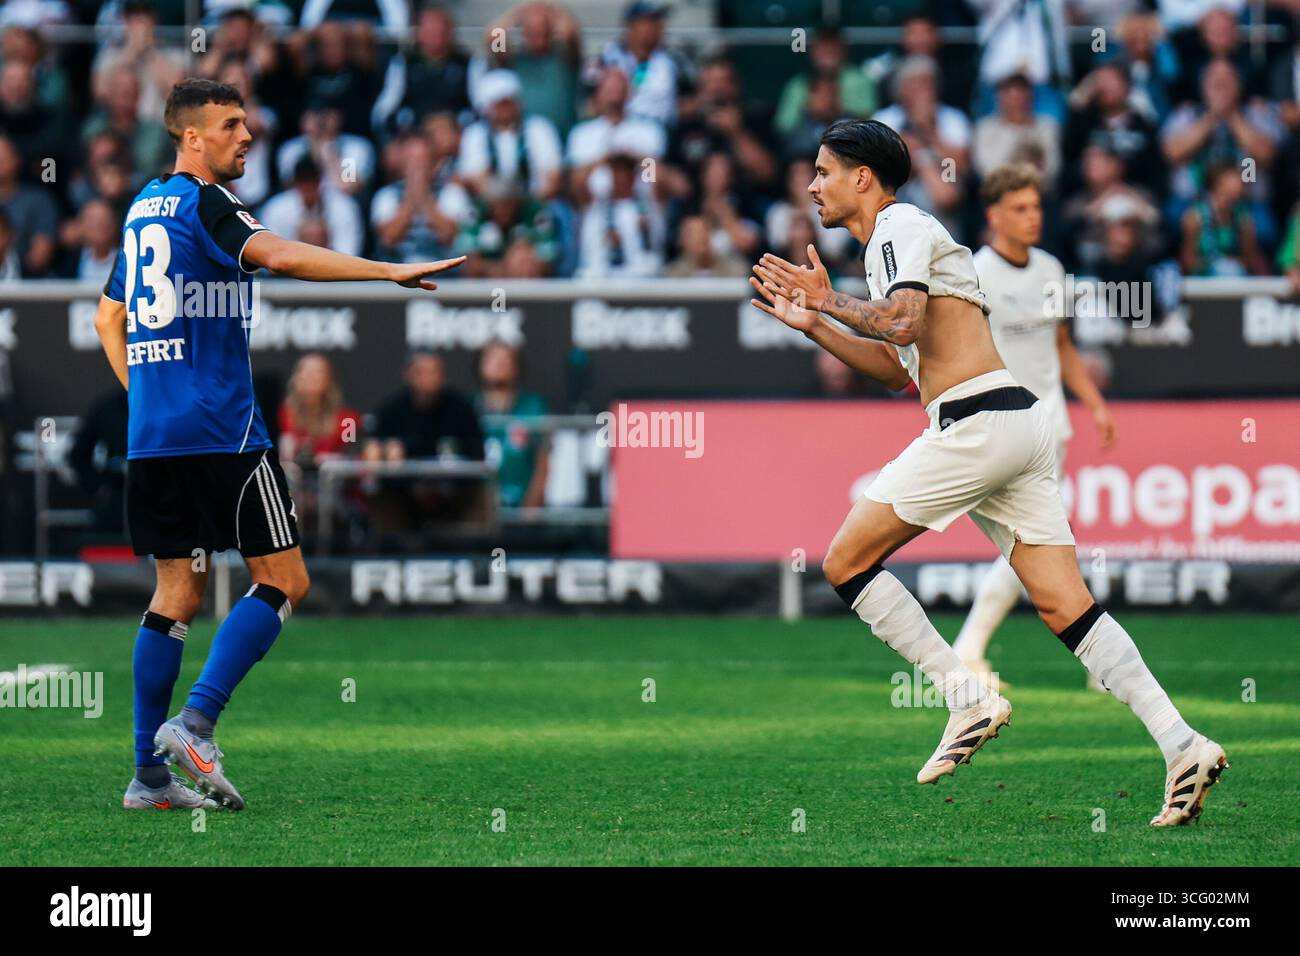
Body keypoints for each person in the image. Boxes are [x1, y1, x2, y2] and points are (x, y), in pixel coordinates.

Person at [749, 120, 1226, 826]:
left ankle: (964, 694)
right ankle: (1182, 743)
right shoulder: (892, 245)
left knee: (846, 561)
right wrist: (817, 325)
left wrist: (827, 301)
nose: (812, 186)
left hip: (976, 424)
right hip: (1017, 424)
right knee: (1068, 607)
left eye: (823, 171)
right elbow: (895, 368)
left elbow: (902, 324)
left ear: (862, 178)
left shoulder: (899, 226)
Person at [92, 78, 464, 812]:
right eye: (232, 125)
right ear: (191, 137)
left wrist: (151, 396)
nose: (247, 136)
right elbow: (284, 258)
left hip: (157, 435)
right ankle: (196, 721)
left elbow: (108, 320)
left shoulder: (141, 208)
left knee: (176, 593)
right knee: (286, 581)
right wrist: (387, 270)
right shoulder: (209, 202)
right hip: (223, 432)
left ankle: (147, 776)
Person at [950, 164, 1118, 693]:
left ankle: (976, 653)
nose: (1032, 217)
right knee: (1041, 546)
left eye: (1036, 207)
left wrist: (1093, 402)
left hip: (1051, 430)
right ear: (994, 215)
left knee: (1043, 545)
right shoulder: (974, 275)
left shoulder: (1049, 268)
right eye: (1019, 208)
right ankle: (975, 651)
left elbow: (1061, 346)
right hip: (999, 430)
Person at [474, 341, 549, 509]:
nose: (500, 364)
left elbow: (543, 463)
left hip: (521, 509)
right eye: (493, 359)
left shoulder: (533, 407)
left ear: (517, 367)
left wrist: (530, 510)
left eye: (507, 359)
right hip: (478, 511)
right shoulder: (468, 409)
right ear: (480, 365)